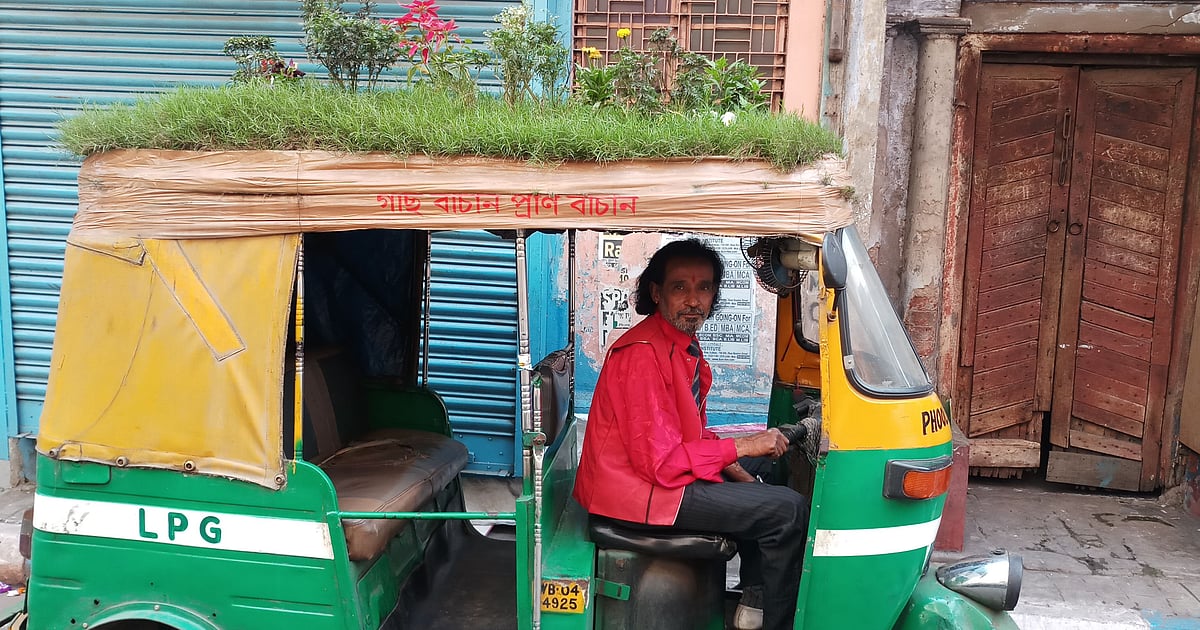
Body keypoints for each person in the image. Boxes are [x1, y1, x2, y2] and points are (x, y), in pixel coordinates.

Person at [573, 238, 809, 630]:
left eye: (704, 287)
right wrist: (744, 446)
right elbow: (662, 464)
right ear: (656, 292)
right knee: (787, 511)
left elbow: (690, 436)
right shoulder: (643, 354)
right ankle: (776, 621)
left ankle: (754, 596)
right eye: (680, 287)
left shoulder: (680, 345)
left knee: (771, 468)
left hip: (656, 478)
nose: (693, 300)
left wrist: (742, 460)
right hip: (637, 495)